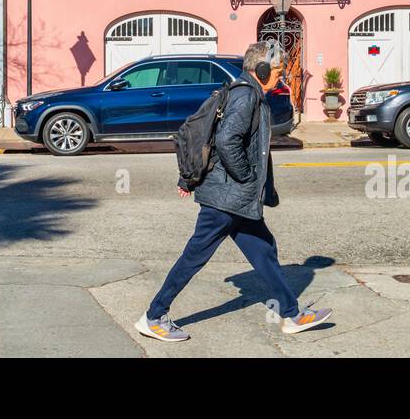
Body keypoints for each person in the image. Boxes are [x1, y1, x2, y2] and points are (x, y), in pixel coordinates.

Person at [136, 41, 332, 342]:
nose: (280, 78)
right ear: (262, 69)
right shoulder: (246, 96)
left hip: (235, 198)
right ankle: (154, 316)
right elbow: (228, 141)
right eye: (278, 72)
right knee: (194, 257)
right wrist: (246, 177)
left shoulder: (248, 93)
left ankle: (291, 314)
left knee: (264, 250)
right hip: (226, 198)